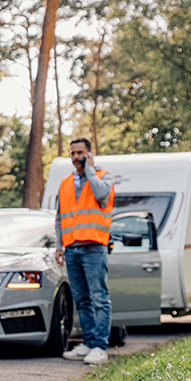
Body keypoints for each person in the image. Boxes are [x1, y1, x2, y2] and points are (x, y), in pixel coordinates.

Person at [54, 138, 114, 365]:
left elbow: (101, 195)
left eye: (80, 152)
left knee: (99, 298)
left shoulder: (104, 176)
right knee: (81, 299)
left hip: (93, 247)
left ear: (89, 154)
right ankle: (88, 343)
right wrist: (59, 246)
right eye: (72, 153)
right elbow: (60, 218)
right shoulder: (65, 182)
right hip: (71, 249)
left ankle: (100, 346)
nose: (75, 157)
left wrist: (90, 169)